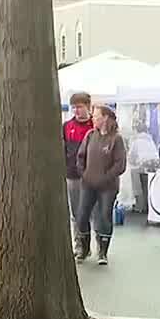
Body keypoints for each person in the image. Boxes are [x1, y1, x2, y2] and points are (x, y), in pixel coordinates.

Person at [75, 105, 127, 265]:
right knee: (82, 216)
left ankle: (103, 252)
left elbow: (120, 164)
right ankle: (84, 249)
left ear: (105, 118)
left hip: (107, 187)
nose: (93, 118)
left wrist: (105, 177)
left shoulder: (116, 139)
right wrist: (83, 173)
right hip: (88, 183)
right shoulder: (90, 135)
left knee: (105, 217)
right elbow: (81, 156)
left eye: (96, 116)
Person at [63, 92, 96, 256]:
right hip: (73, 175)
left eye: (80, 107)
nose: (76, 110)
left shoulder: (95, 126)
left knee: (94, 212)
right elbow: (63, 150)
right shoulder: (67, 126)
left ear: (88, 107)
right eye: (74, 107)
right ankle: (80, 246)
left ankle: (98, 246)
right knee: (76, 213)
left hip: (93, 176)